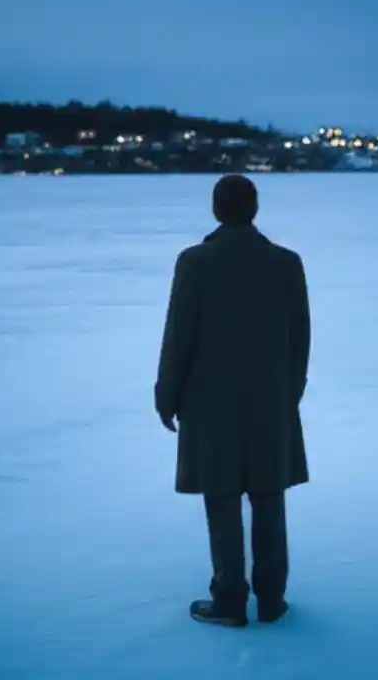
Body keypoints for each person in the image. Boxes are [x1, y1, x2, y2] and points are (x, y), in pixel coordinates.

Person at [155, 174, 311, 627]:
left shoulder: (196, 262)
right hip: (270, 401)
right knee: (268, 496)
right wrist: (289, 394)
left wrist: (167, 396)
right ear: (254, 209)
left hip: (210, 403)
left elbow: (178, 337)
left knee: (222, 497)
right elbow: (300, 339)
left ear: (216, 210)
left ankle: (229, 599)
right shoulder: (286, 263)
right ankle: (271, 598)